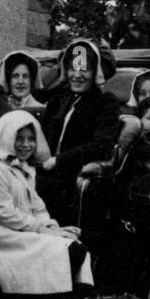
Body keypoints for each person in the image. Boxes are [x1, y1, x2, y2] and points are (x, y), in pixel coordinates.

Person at [0, 110, 93, 299]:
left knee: (78, 249)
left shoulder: (24, 169)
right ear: (6, 138)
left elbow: (37, 207)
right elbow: (4, 213)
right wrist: (43, 231)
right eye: (19, 139)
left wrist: (54, 228)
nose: (26, 145)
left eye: (30, 139)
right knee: (68, 251)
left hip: (19, 230)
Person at [35, 38, 123, 226]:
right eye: (72, 68)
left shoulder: (105, 103)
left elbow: (101, 146)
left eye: (85, 69)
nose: (77, 75)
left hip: (70, 178)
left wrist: (58, 161)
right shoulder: (59, 100)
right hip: (45, 172)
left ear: (96, 72)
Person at [0, 50, 46, 127]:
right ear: (8, 80)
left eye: (25, 76)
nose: (20, 81)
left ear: (31, 80)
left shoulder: (41, 109)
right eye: (15, 76)